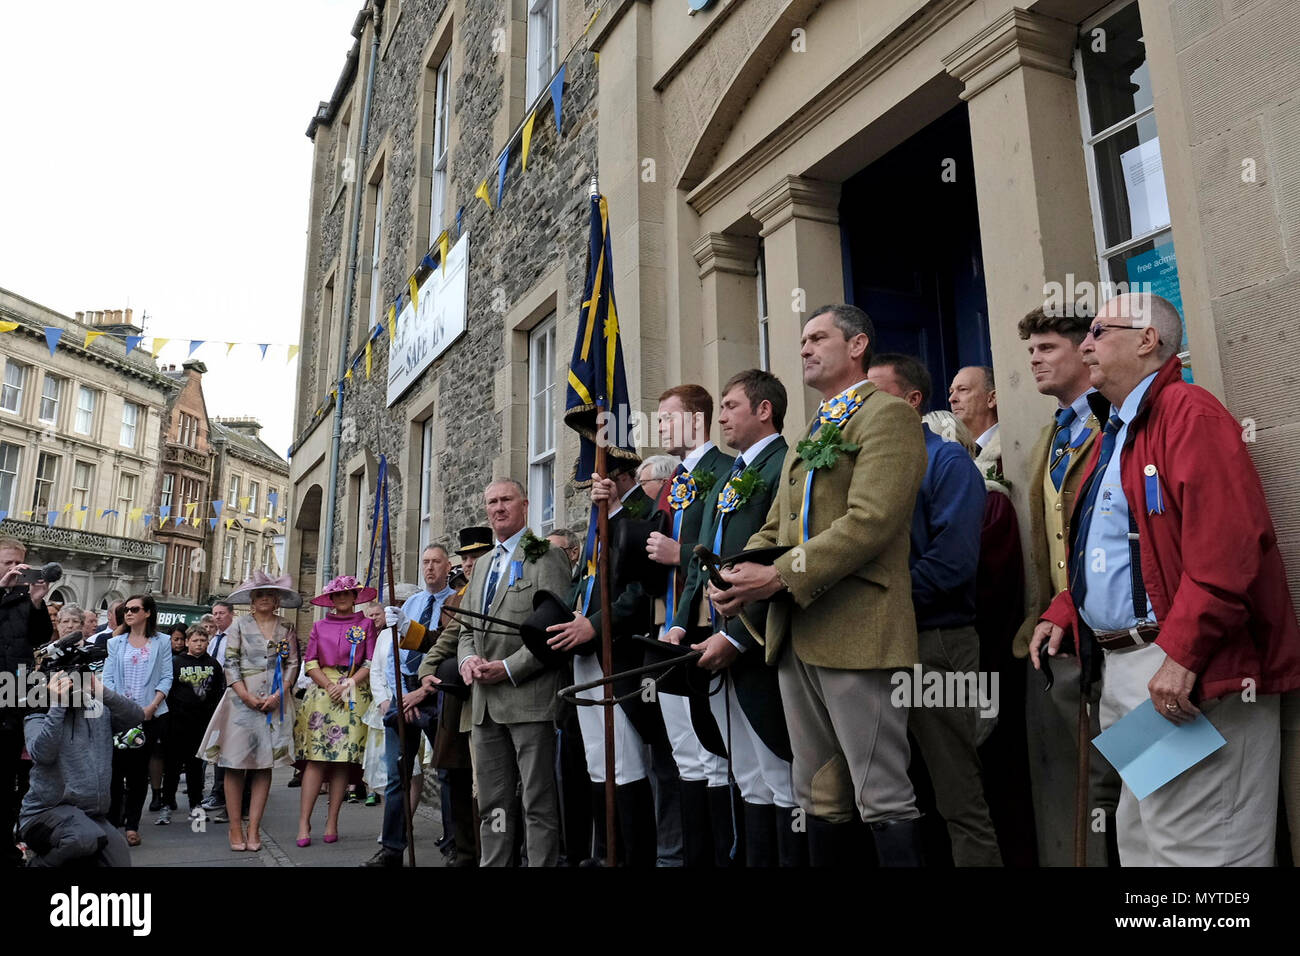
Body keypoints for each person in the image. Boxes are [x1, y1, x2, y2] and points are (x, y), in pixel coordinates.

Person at [1031, 292, 1300, 865]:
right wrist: (1067, 606)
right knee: (1147, 842)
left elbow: (1228, 551)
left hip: (1181, 671)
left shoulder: (1187, 413)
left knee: (1205, 852)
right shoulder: (1119, 430)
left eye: (1099, 331)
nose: (1085, 343)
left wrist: (1182, 656)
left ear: (1147, 340)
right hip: (1135, 673)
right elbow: (1113, 545)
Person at [712, 304, 928, 866]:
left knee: (880, 793)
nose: (803, 348)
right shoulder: (815, 428)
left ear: (857, 346)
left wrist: (779, 575)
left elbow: (871, 520)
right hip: (798, 630)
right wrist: (740, 574)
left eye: (817, 338)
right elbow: (776, 523)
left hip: (859, 628)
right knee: (818, 795)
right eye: (802, 340)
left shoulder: (886, 417)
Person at [664, 368, 806, 866]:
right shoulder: (729, 474)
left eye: (730, 406)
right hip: (717, 638)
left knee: (782, 774)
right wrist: (682, 621)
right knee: (748, 774)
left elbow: (780, 561)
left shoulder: (784, 466)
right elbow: (704, 561)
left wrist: (741, 638)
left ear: (764, 410)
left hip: (761, 642)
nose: (719, 417)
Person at [868, 353, 1001, 866]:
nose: (861, 408)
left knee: (957, 797)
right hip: (878, 644)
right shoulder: (870, 468)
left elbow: (952, 564)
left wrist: (882, 604)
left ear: (910, 401)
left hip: (936, 644)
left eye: (874, 395)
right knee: (895, 796)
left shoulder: (947, 463)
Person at [416, 478, 572, 866]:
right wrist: (468, 660)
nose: (498, 508)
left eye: (506, 500)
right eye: (491, 502)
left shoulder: (546, 557)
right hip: (484, 704)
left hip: (529, 699)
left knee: (537, 802)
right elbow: (469, 627)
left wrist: (507, 667)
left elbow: (553, 627)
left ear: (524, 505)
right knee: (493, 804)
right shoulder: (482, 564)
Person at [1013, 303, 1116, 867]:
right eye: (1030, 350)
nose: (1035, 360)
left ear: (1085, 350)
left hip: (1118, 638)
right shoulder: (1053, 432)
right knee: (1070, 791)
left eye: (1047, 348)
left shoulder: (1113, 423)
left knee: (1123, 785)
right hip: (1058, 643)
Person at [546, 458, 663, 867]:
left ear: (623, 478)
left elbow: (638, 592)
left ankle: (633, 858)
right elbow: (586, 581)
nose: (597, 490)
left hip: (620, 652)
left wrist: (593, 627)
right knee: (598, 763)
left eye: (603, 480)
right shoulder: (596, 523)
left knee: (626, 762)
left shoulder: (645, 515)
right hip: (585, 652)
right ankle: (605, 855)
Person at [649, 384, 734, 867]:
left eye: (667, 418)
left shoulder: (723, 471)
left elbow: (723, 546)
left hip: (705, 620)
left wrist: (678, 554)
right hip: (670, 622)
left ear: (696, 420)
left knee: (715, 752)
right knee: (685, 754)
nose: (658, 426)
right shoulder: (675, 479)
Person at [365, 547, 455, 867]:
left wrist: (422, 694)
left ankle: (453, 845)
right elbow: (394, 658)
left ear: (448, 567)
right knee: (398, 775)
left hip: (438, 696)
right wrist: (401, 696)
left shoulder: (454, 604)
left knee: (446, 772)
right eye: (425, 562)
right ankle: (392, 848)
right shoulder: (413, 604)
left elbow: (448, 656)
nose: (430, 568)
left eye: (436, 562)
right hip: (406, 695)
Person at [198, 572, 302, 851]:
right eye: (259, 594)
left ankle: (253, 827)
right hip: (240, 700)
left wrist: (280, 694)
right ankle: (235, 826)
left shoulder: (286, 626)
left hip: (275, 701)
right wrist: (244, 694)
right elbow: (230, 662)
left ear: (277, 599)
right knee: (234, 763)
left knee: (263, 765)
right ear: (252, 600)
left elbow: (293, 663)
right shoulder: (240, 626)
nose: (265, 598)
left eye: (270, 594)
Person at [20, 671, 145, 867]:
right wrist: (57, 704)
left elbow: (137, 716)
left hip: (91, 815)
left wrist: (102, 691)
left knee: (119, 859)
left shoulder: (99, 709)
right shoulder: (38, 714)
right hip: (44, 813)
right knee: (84, 838)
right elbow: (43, 754)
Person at [295, 575, 377, 846]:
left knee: (343, 759)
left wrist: (351, 682)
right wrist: (330, 685)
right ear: (331, 599)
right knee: (317, 757)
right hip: (322, 693)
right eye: (337, 594)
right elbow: (310, 662)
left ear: (355, 596)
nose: (342, 597)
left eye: (347, 593)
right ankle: (304, 822)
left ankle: (333, 820)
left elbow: (370, 659)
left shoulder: (366, 624)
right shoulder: (319, 625)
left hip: (354, 692)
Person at [102, 594, 173, 847]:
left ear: (148, 613)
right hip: (119, 715)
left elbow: (166, 677)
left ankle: (132, 825)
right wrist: (118, 706)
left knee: (137, 772)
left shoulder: (162, 642)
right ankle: (111, 824)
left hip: (149, 715)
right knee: (114, 771)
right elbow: (107, 679)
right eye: (125, 610)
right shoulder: (116, 643)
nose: (128, 614)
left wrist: (152, 706)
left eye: (134, 609)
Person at [1, 537, 53, 867]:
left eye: (20, 564)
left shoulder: (25, 596)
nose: (15, 570)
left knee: (11, 775)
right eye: (7, 563)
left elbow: (40, 637)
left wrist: (35, 600)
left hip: (14, 693)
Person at [160, 626, 224, 823]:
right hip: (177, 723)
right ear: (187, 642)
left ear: (207, 643)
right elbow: (167, 691)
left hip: (202, 723)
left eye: (203, 641)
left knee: (195, 766)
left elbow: (217, 693)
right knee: (172, 766)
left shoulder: (213, 665)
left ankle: (196, 804)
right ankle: (167, 803)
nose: (199, 644)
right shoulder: (175, 662)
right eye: (195, 640)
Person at [199, 600, 236, 819]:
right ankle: (215, 790)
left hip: (228, 693)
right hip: (213, 695)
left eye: (221, 613)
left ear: (231, 614)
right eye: (215, 614)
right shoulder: (214, 640)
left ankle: (220, 791)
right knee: (213, 745)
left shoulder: (233, 637)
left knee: (223, 745)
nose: (217, 617)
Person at [948, 365, 999, 476]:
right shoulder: (949, 453)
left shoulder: (1010, 445)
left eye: (962, 389)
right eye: (951, 391)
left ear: (991, 399)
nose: (951, 399)